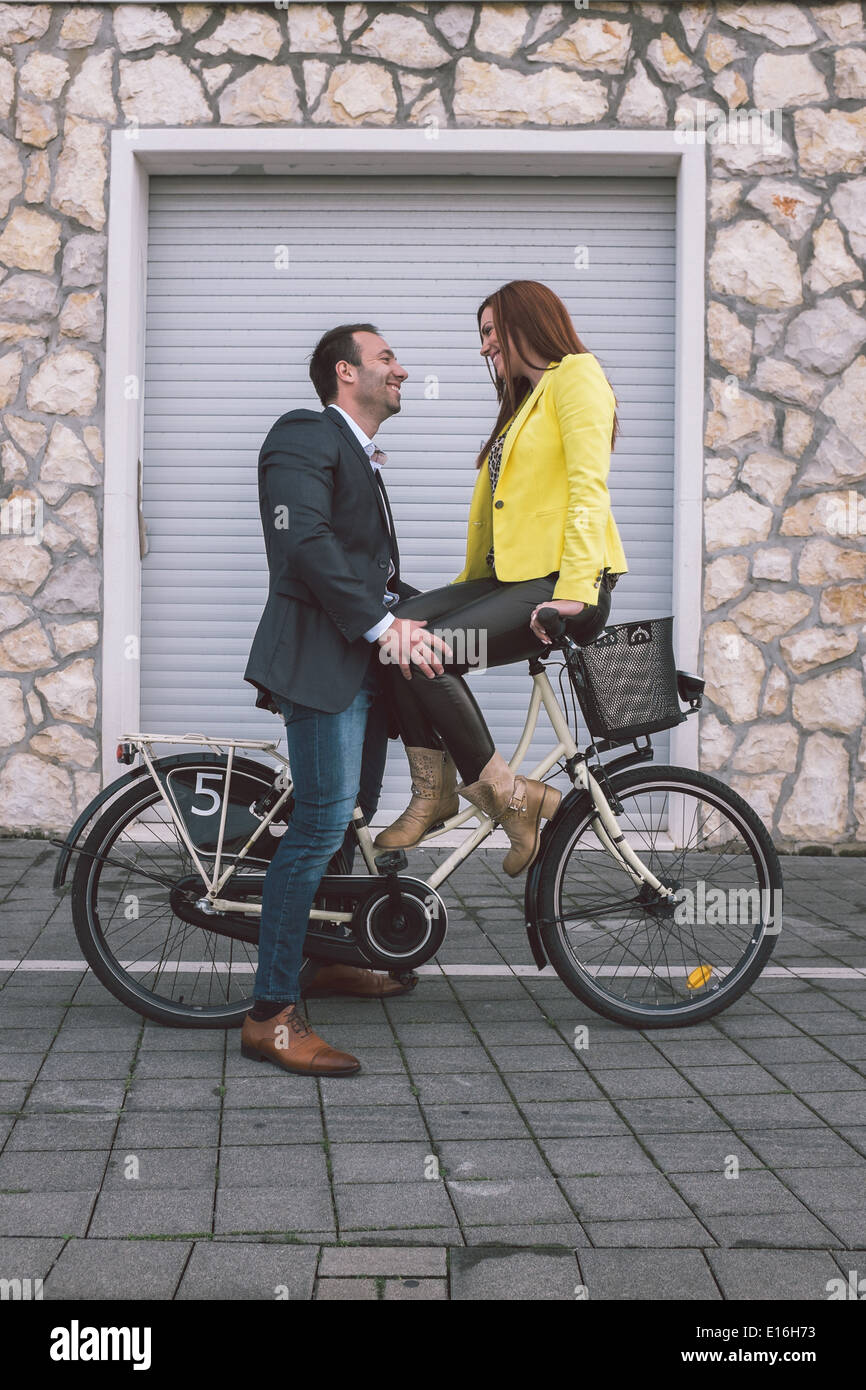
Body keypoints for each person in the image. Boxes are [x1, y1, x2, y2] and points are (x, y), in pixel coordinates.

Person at [242, 324, 450, 1077]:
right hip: (322, 663)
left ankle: (326, 961)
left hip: (359, 667)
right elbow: (306, 544)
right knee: (320, 822)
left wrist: (441, 615)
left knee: (348, 819)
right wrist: (380, 623)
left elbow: (370, 572)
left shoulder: (361, 455)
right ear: (344, 372)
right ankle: (269, 1014)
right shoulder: (304, 433)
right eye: (387, 358)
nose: (402, 368)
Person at [375, 280, 628, 876]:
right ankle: (434, 792)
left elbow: (590, 487)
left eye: (491, 332)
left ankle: (510, 799)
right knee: (397, 634)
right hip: (507, 581)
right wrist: (459, 592)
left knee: (429, 650)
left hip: (559, 584)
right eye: (482, 335)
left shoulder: (576, 377)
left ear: (525, 324)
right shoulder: (525, 401)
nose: (485, 347)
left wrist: (575, 591)